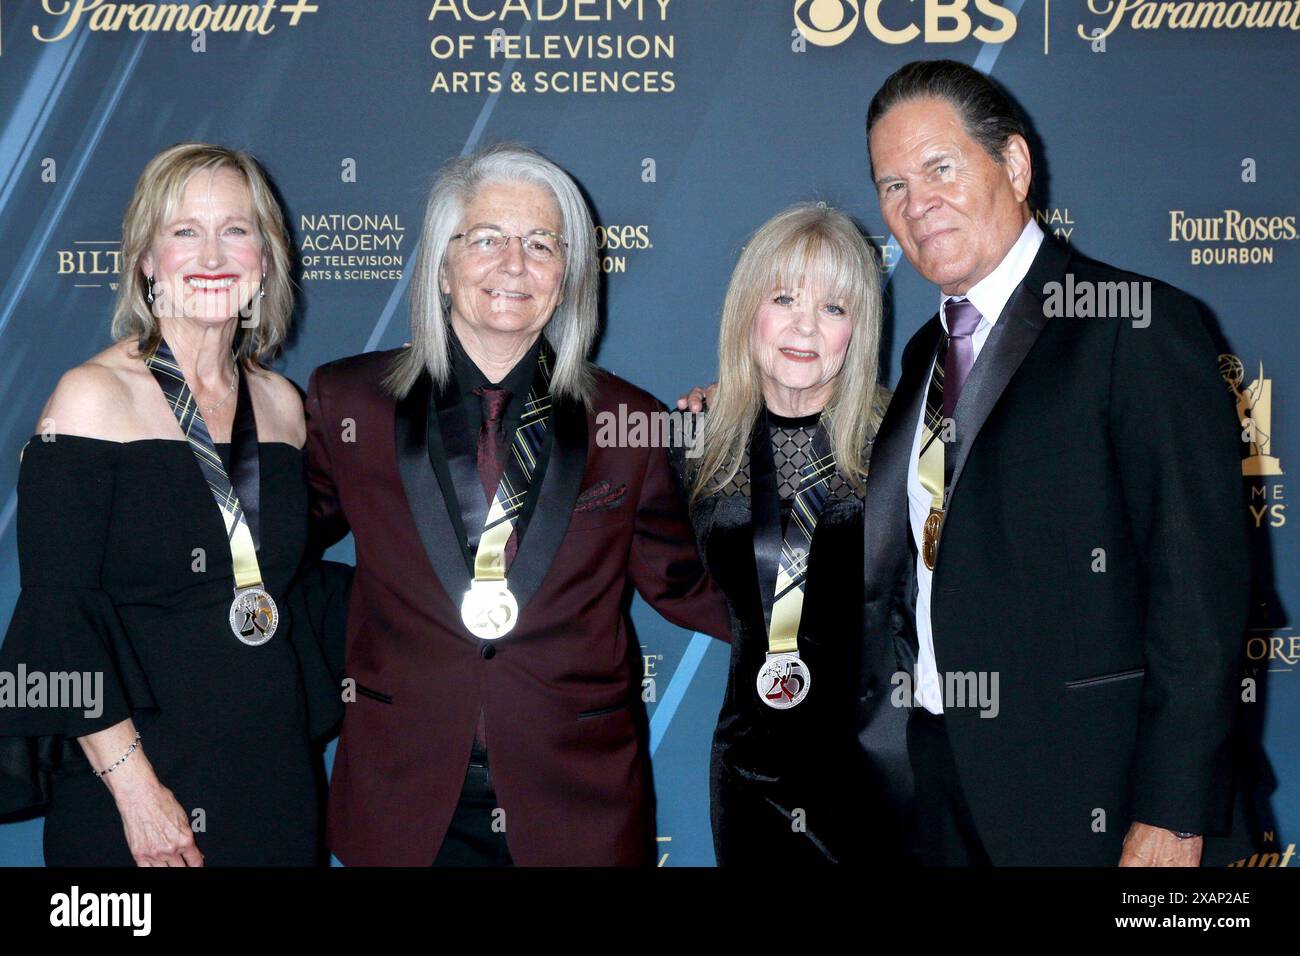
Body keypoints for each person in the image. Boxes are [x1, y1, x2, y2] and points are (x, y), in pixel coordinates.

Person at [682, 60, 1250, 866]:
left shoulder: (1136, 327)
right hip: (935, 794)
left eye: (940, 168)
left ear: (1014, 166)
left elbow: (1201, 594)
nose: (919, 204)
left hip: (1105, 801)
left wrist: (1175, 812)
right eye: (893, 186)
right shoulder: (920, 361)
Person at [305, 142, 732, 867]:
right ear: (442, 266)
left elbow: (689, 585)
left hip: (576, 805)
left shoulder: (626, 420)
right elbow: (274, 548)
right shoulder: (348, 402)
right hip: (404, 804)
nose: (514, 264)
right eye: (487, 239)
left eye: (541, 244)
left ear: (567, 278)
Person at [0, 143, 344, 866]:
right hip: (134, 790)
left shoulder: (282, 405)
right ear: (147, 259)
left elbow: (294, 579)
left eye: (236, 229)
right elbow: (58, 622)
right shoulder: (91, 398)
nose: (212, 252)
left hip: (272, 779)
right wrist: (138, 797)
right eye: (185, 230)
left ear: (266, 257)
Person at [671, 203, 911, 865]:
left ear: (858, 330)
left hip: (879, 767)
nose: (806, 325)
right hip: (750, 769)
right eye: (784, 298)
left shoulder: (901, 446)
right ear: (749, 310)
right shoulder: (694, 439)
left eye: (834, 308)